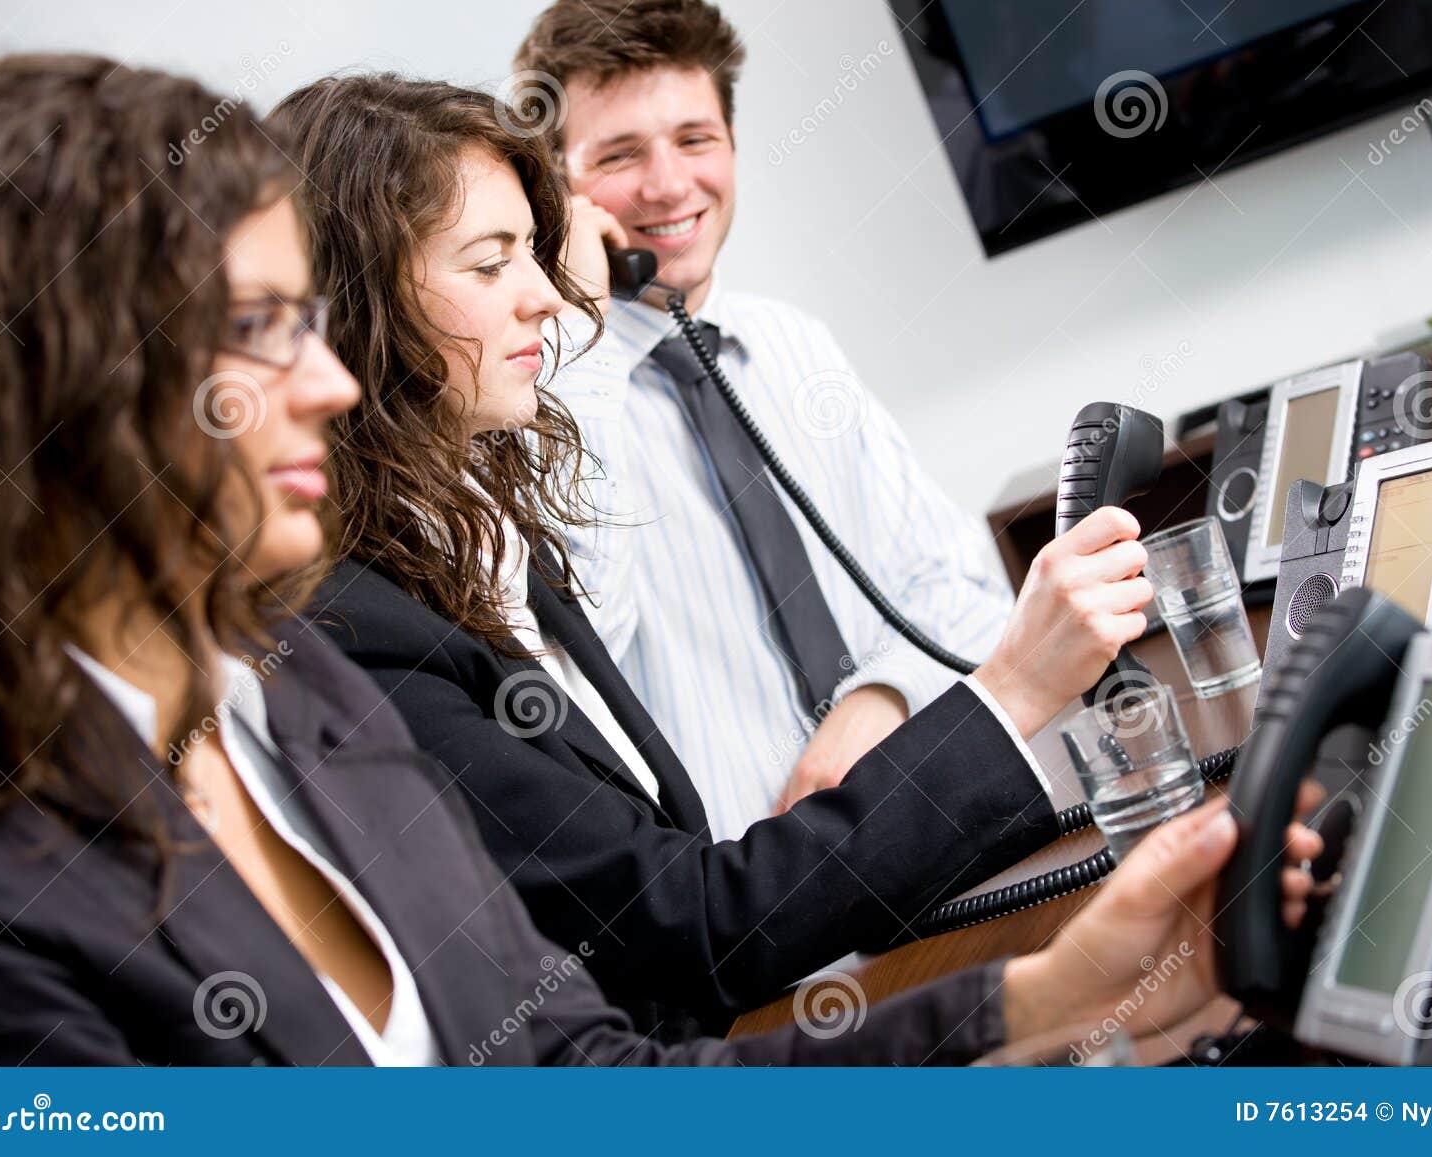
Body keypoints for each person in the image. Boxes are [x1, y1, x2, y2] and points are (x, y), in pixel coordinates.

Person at [0, 53, 1322, 1068]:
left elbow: (581, 1074)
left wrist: (1053, 994)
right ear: (64, 393)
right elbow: (686, 943)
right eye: (264, 327)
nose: (320, 380)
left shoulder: (306, 698)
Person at [282, 74, 1160, 1039]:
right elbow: (689, 920)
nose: (543, 295)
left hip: (803, 944)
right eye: (492, 264)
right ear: (355, 312)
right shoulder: (365, 624)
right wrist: (1018, 688)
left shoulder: (478, 529)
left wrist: (906, 695)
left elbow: (944, 577)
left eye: (533, 253)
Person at [512, 0, 1025, 837]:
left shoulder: (792, 345)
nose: (670, 184)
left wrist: (879, 696)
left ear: (733, 145)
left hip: (929, 842)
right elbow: (578, 656)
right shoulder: (534, 405)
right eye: (618, 155)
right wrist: (581, 333)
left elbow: (964, 589)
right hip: (745, 925)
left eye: (694, 138)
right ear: (558, 198)